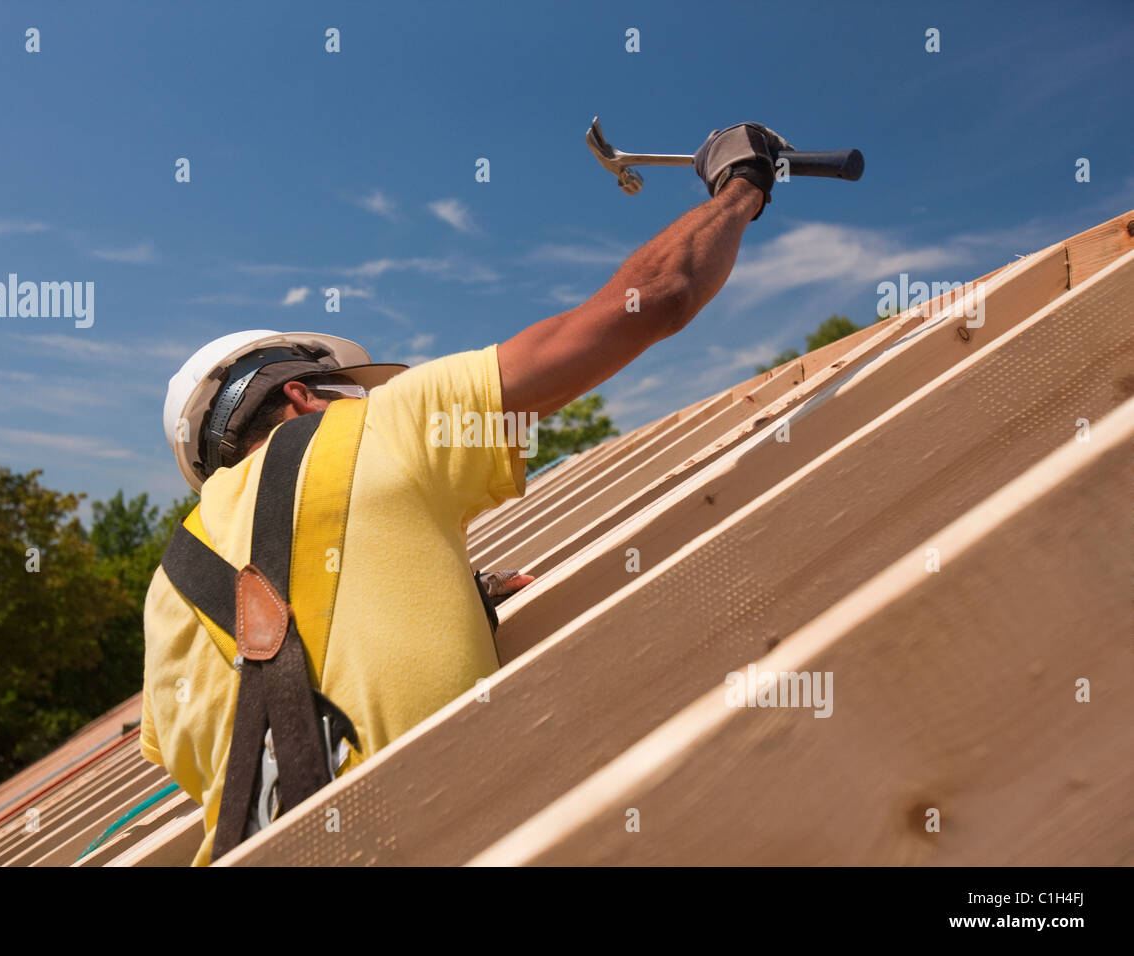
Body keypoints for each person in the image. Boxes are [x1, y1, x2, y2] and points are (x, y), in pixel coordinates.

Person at [140, 122, 786, 865]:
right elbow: (655, 298)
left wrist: (436, 600)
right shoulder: (381, 424)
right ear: (301, 392)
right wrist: (742, 184)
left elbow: (265, 746)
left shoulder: (165, 592)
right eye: (347, 386)